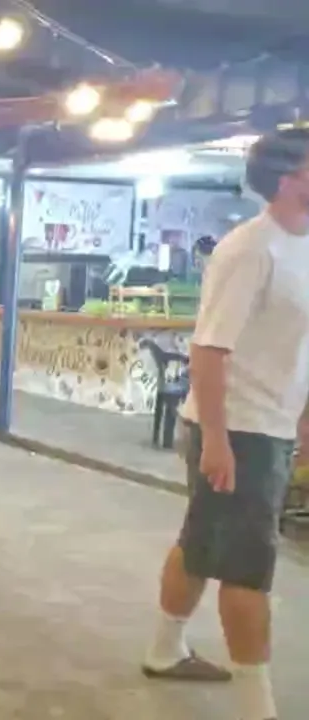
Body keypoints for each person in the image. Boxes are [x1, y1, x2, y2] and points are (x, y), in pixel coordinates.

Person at [142, 128, 309, 720]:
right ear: (290, 179)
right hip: (239, 430)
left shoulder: (301, 244)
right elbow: (209, 351)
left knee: (201, 544)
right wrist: (215, 440)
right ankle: (257, 707)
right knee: (247, 568)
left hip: (270, 425)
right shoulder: (250, 249)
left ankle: (165, 650)